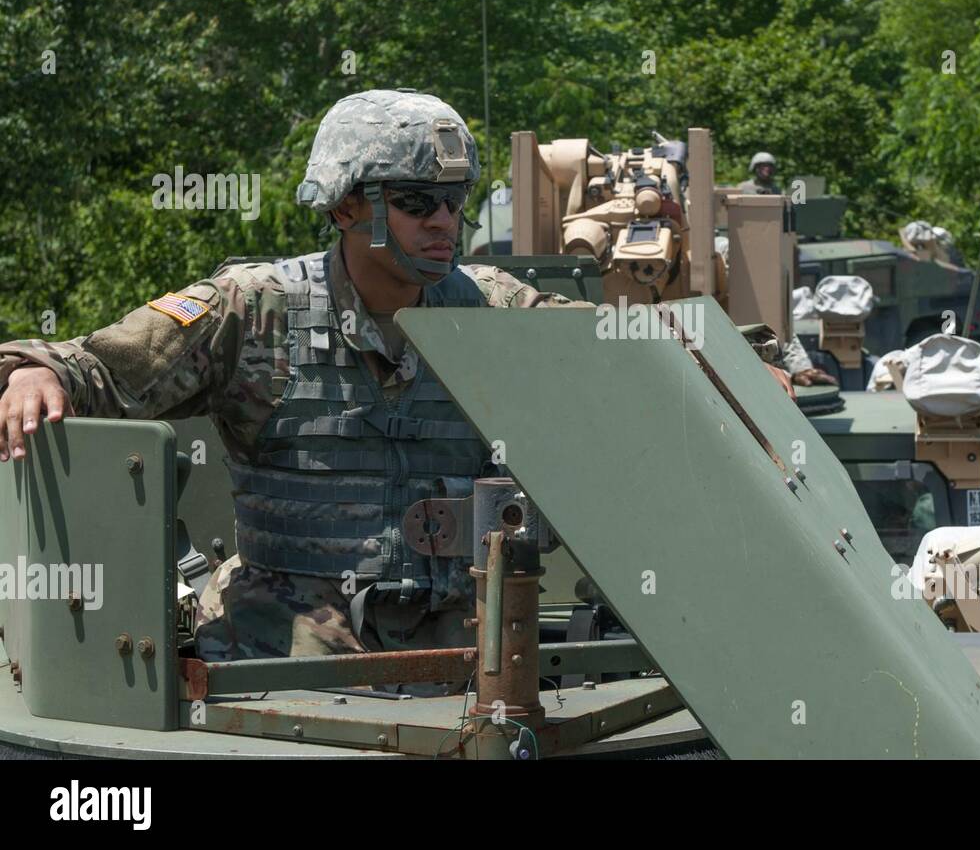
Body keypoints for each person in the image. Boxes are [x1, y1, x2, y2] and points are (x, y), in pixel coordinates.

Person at [0, 88, 799, 661]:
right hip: (280, 652)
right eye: (418, 200)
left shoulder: (490, 307)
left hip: (458, 650)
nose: (445, 220)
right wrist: (36, 374)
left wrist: (740, 365)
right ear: (347, 206)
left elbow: (623, 348)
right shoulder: (254, 308)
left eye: (454, 199)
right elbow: (93, 366)